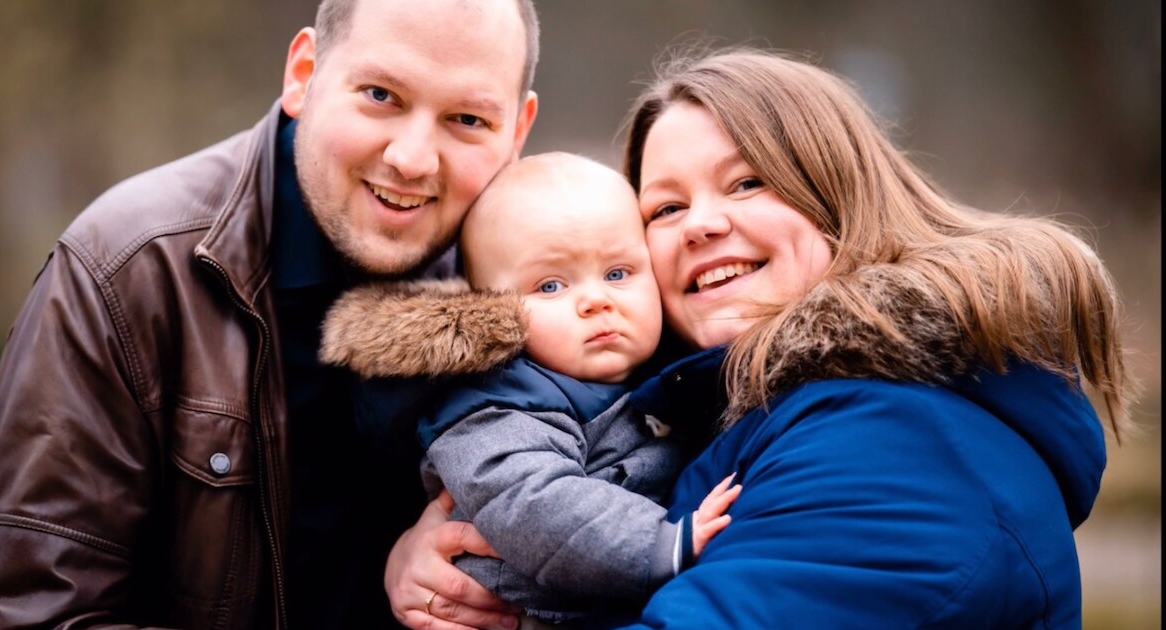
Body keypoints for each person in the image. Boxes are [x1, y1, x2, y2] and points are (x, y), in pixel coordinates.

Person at [404, 47, 1135, 628]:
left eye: (747, 183)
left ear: (842, 198)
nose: (701, 224)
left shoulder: (897, 441)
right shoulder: (718, 413)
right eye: (665, 207)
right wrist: (461, 571)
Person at [0, 0, 539, 628]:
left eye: (467, 119)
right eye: (380, 94)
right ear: (304, 74)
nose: (413, 158)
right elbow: (33, 615)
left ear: (517, 132)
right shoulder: (127, 270)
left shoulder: (545, 290)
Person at [318, 152, 741, 628]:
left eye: (618, 274)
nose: (596, 300)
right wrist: (664, 544)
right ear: (495, 310)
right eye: (551, 285)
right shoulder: (493, 408)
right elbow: (536, 504)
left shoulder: (662, 366)